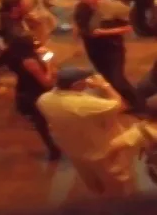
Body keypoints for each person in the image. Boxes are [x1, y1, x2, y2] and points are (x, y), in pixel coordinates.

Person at [37, 66, 133, 196]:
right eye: (86, 80)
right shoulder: (85, 104)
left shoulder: (44, 99)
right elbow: (120, 105)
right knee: (115, 186)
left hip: (74, 150)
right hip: (102, 151)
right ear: (77, 84)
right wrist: (105, 85)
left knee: (93, 185)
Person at [0, 0, 60, 160]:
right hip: (36, 93)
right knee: (45, 120)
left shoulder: (13, 54)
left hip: (23, 90)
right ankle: (55, 147)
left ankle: (52, 147)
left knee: (40, 124)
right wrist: (48, 64)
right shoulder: (30, 62)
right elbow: (46, 81)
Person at [74, 0, 140, 108]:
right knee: (106, 77)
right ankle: (119, 102)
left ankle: (139, 104)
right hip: (93, 48)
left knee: (117, 79)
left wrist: (105, 32)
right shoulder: (81, 8)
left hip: (112, 48)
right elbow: (77, 25)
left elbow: (130, 27)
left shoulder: (114, 7)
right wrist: (77, 44)